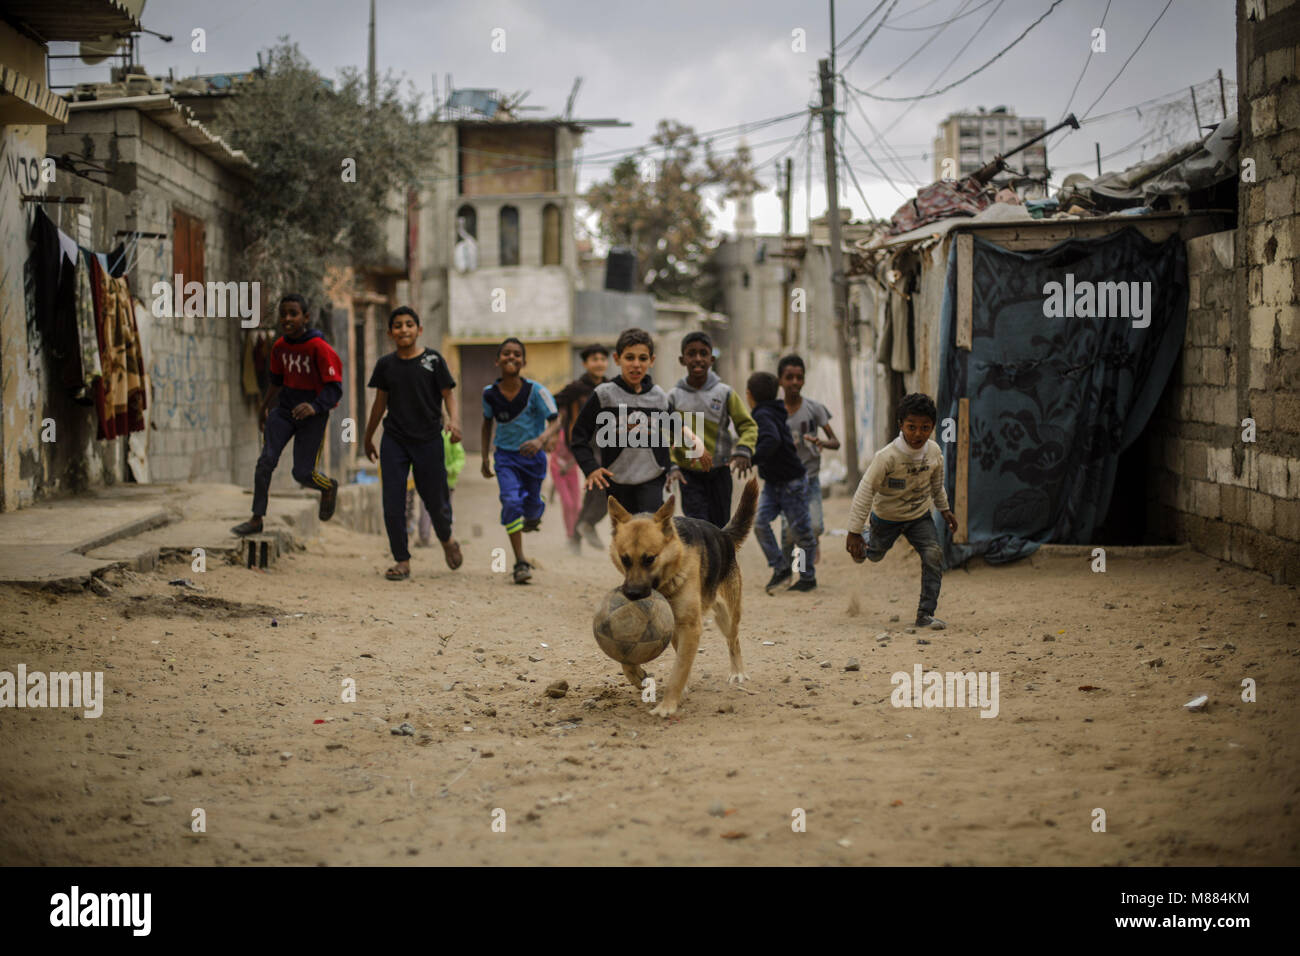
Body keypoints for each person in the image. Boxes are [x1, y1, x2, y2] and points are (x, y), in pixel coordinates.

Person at [363, 306, 462, 580]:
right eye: (398, 325)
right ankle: (402, 560)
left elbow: (449, 395)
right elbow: (379, 403)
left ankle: (446, 539)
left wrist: (454, 421)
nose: (403, 329)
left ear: (418, 330)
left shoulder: (433, 360)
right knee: (392, 501)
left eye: (409, 324)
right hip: (394, 439)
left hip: (429, 439)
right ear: (390, 333)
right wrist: (368, 436)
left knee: (436, 500)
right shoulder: (386, 365)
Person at [845, 392, 958, 629]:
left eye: (925, 427)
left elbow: (937, 485)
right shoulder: (886, 458)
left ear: (933, 427)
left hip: (919, 517)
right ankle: (866, 538)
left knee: (933, 555)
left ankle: (925, 614)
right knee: (873, 555)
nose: (918, 433)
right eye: (912, 427)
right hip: (886, 518)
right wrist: (854, 531)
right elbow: (865, 491)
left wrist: (945, 509)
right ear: (900, 425)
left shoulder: (935, 452)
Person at [232, 294, 340, 536]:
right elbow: (276, 382)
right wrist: (264, 408)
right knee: (265, 462)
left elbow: (334, 388)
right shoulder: (279, 347)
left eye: (293, 313)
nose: (287, 318)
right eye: (283, 314)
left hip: (312, 414)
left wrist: (314, 406)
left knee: (302, 474)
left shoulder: (319, 348)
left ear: (306, 317)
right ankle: (256, 518)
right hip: (284, 411)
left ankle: (328, 487)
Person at [571, 328, 707, 516]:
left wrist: (694, 443)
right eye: (629, 358)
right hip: (616, 479)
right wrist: (591, 468)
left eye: (642, 358)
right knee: (624, 536)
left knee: (650, 530)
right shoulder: (604, 395)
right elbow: (578, 436)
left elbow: (674, 428)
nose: (636, 365)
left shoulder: (658, 396)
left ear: (651, 361)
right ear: (617, 359)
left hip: (652, 476)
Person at [480, 337, 561, 584]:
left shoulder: (537, 391)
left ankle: (536, 509)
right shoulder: (489, 394)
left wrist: (541, 440)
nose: (511, 357)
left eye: (517, 354)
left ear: (524, 361)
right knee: (511, 501)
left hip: (533, 458)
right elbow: (486, 424)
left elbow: (556, 420)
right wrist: (485, 457)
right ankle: (520, 561)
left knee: (531, 506)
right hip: (505, 457)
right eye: (506, 353)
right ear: (497, 360)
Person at [667, 331, 757, 527]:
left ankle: (721, 559)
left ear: (712, 358)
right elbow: (667, 435)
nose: (698, 358)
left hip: (720, 472)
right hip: (688, 474)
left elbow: (747, 425)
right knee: (697, 526)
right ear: (683, 360)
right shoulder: (673, 397)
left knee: (721, 527)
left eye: (703, 353)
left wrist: (744, 449)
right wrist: (672, 465)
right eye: (691, 354)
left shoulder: (724, 393)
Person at [746, 371, 817, 593]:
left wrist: (752, 458)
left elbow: (772, 439)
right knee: (759, 523)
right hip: (774, 484)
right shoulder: (772, 411)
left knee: (801, 531)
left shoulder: (763, 415)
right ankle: (781, 568)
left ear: (749, 395)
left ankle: (807, 577)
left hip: (791, 482)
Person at [777, 354, 840, 566]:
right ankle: (787, 570)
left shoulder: (814, 409)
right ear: (780, 380)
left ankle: (809, 557)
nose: (795, 382)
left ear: (804, 379)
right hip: (785, 481)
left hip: (810, 479)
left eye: (799, 377)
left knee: (813, 526)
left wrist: (821, 442)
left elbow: (835, 441)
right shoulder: (774, 413)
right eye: (789, 377)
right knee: (788, 531)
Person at [551, 344, 610, 553]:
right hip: (583, 445)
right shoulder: (576, 388)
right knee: (604, 484)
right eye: (594, 359)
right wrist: (549, 432)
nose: (599, 363)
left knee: (596, 490)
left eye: (603, 359)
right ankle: (587, 525)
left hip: (605, 444)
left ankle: (577, 534)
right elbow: (551, 403)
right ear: (585, 364)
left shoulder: (611, 387)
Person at [410, 429, 465, 548]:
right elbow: (460, 458)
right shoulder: (450, 436)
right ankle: (447, 537)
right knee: (445, 508)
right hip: (446, 481)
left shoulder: (424, 435)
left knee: (426, 509)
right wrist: (451, 470)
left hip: (431, 481)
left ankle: (425, 537)